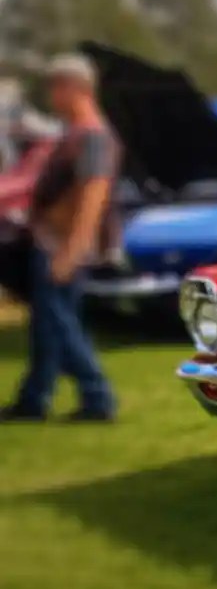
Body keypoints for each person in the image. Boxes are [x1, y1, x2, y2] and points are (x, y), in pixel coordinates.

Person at [1, 54, 119, 422]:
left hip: (63, 246)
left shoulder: (94, 138)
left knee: (61, 324)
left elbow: (93, 197)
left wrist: (72, 251)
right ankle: (34, 398)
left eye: (55, 87)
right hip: (51, 241)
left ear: (74, 88)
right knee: (48, 325)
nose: (51, 96)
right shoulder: (73, 136)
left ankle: (98, 395)